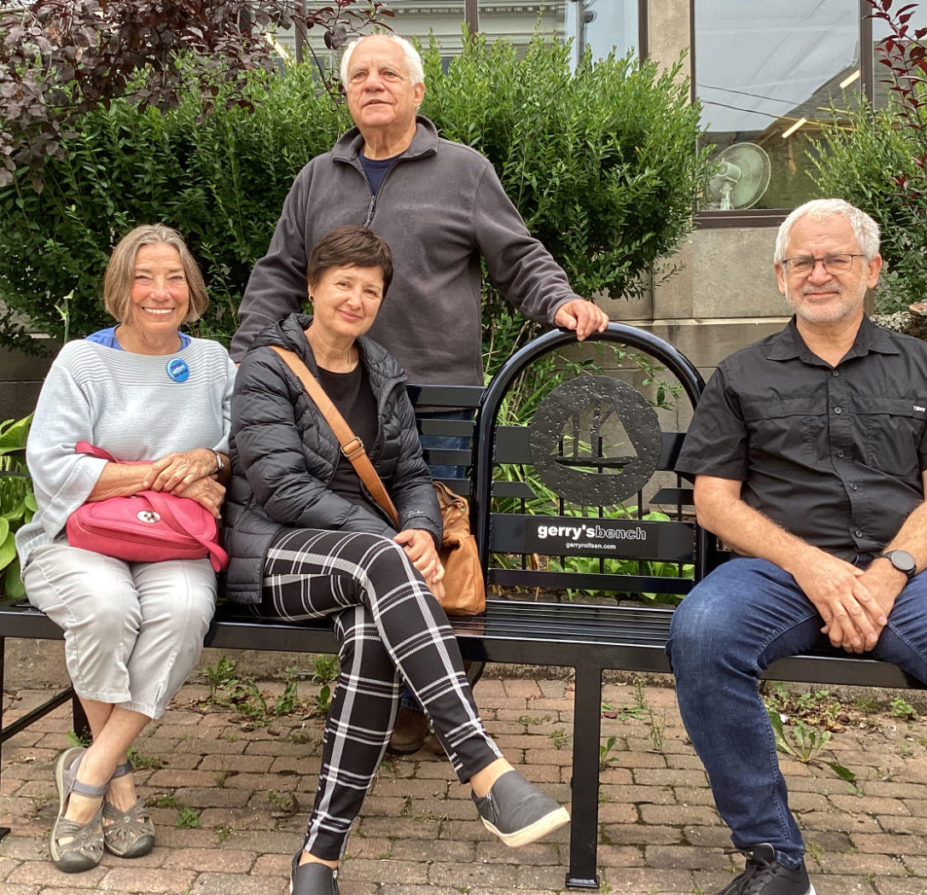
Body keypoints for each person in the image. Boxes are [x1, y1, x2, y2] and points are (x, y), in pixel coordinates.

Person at [230, 31, 609, 753]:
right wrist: (251, 359)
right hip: (328, 395)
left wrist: (558, 301)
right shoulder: (316, 177)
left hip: (434, 400)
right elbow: (278, 272)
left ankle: (443, 695)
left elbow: (517, 256)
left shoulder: (463, 170)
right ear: (346, 94)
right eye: (360, 75)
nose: (374, 83)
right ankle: (397, 702)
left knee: (444, 540)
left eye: (389, 73)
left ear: (417, 91)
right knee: (360, 539)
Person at [667, 198, 927, 895]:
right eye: (804, 260)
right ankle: (775, 858)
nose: (819, 272)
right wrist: (815, 567)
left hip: (913, 575)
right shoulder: (741, 375)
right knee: (702, 631)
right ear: (780, 276)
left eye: (837, 259)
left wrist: (885, 575)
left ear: (872, 270)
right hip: (777, 574)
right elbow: (714, 501)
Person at [224, 225, 570, 895]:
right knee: (381, 571)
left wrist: (415, 528)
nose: (356, 299)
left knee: (371, 632)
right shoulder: (268, 366)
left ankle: (318, 856)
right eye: (343, 284)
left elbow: (411, 472)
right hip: (272, 552)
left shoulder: (381, 370)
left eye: (370, 290)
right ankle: (481, 764)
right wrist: (390, 545)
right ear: (313, 288)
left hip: (366, 565)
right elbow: (281, 487)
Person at [16, 224, 235, 873]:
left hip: (172, 539)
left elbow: (239, 444)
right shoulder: (82, 363)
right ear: (122, 287)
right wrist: (162, 471)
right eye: (144, 277)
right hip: (80, 536)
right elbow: (52, 465)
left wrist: (210, 458)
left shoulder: (214, 361)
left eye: (173, 277)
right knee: (108, 607)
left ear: (191, 289)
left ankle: (90, 767)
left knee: (184, 610)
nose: (159, 291)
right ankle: (113, 789)